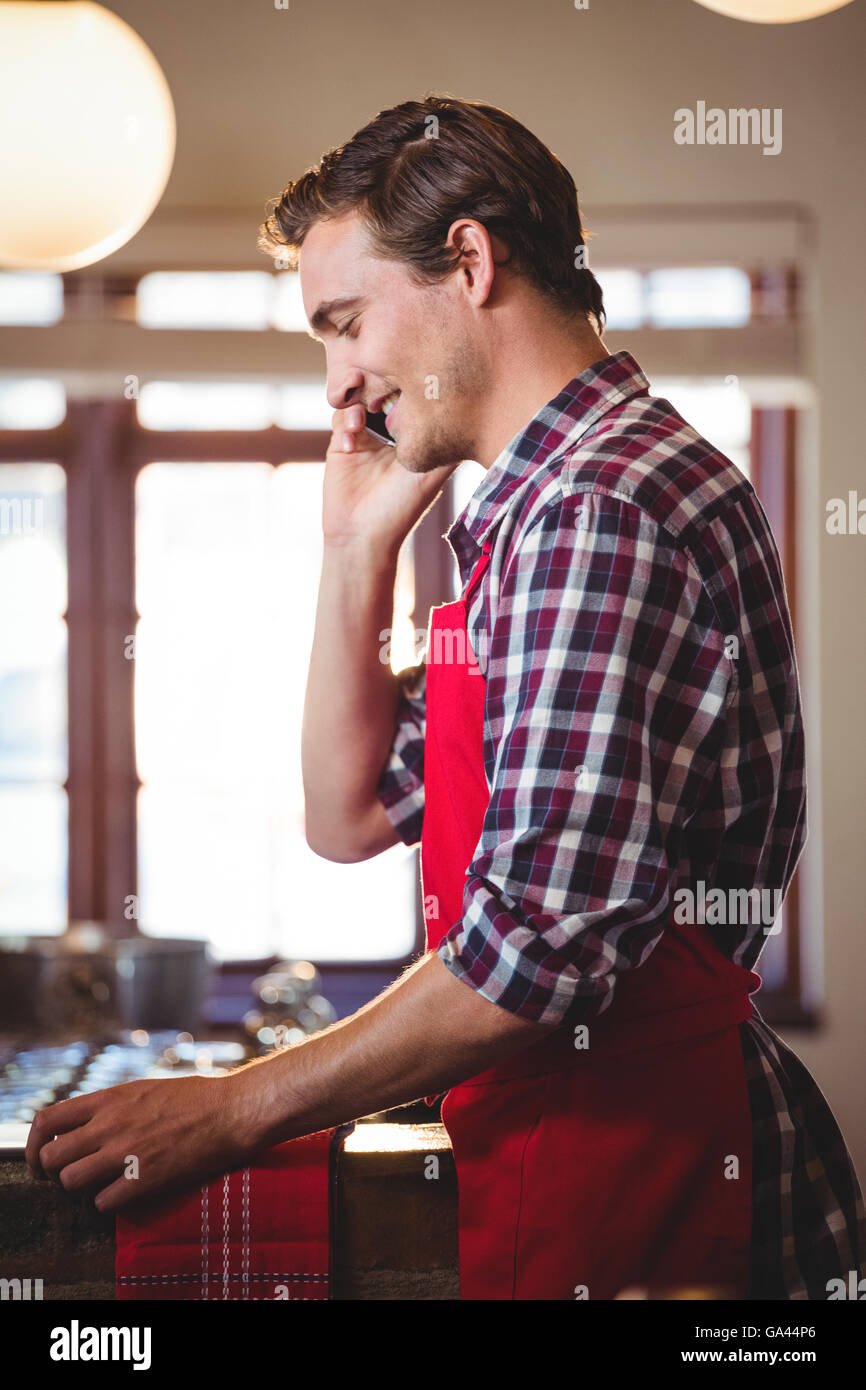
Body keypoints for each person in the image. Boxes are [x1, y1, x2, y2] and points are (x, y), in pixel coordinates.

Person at [27, 94, 865, 1301]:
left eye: (344, 322)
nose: (337, 385)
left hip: (652, 1163)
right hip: (575, 1141)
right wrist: (352, 550)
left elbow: (538, 949)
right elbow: (350, 811)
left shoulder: (593, 510)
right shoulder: (543, 509)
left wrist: (231, 1109)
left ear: (468, 261)